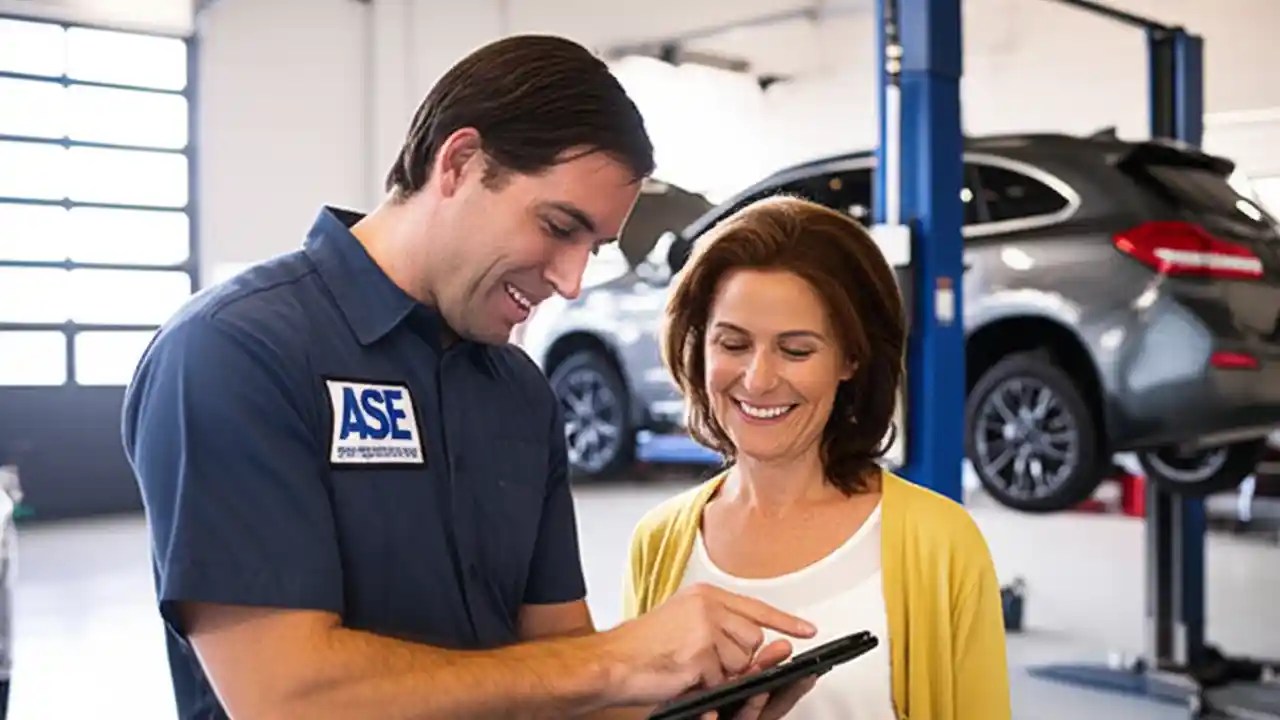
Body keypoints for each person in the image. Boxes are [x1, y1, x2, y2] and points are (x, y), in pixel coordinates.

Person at [122, 34, 818, 720]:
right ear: (458, 163)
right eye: (557, 226)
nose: (571, 282)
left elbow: (557, 665)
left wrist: (669, 702)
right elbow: (288, 699)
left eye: (593, 248)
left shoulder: (519, 392)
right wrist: (621, 660)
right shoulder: (236, 353)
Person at [623, 196, 1013, 719]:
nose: (758, 379)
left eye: (796, 350)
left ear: (851, 358)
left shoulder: (940, 543)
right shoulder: (659, 542)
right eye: (733, 344)